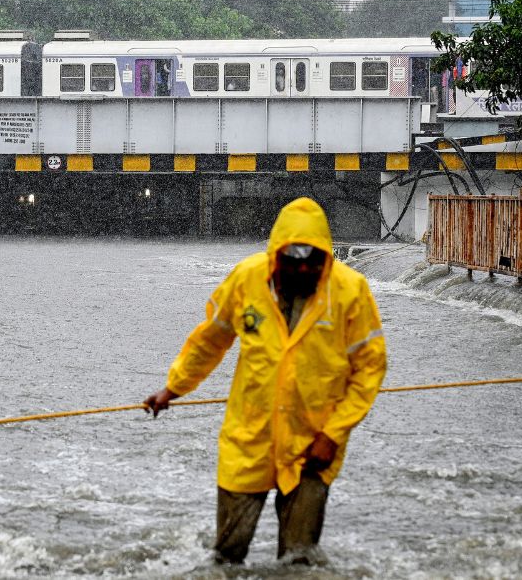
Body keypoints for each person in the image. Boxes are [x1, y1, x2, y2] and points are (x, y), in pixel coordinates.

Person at [144, 197, 386, 566]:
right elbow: (210, 339)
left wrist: (332, 434)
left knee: (298, 559)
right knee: (226, 556)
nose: (304, 271)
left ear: (326, 258)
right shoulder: (246, 279)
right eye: (294, 262)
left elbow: (369, 368)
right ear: (276, 256)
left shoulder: (351, 291)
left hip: (314, 442)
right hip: (250, 436)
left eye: (313, 263)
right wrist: (173, 388)